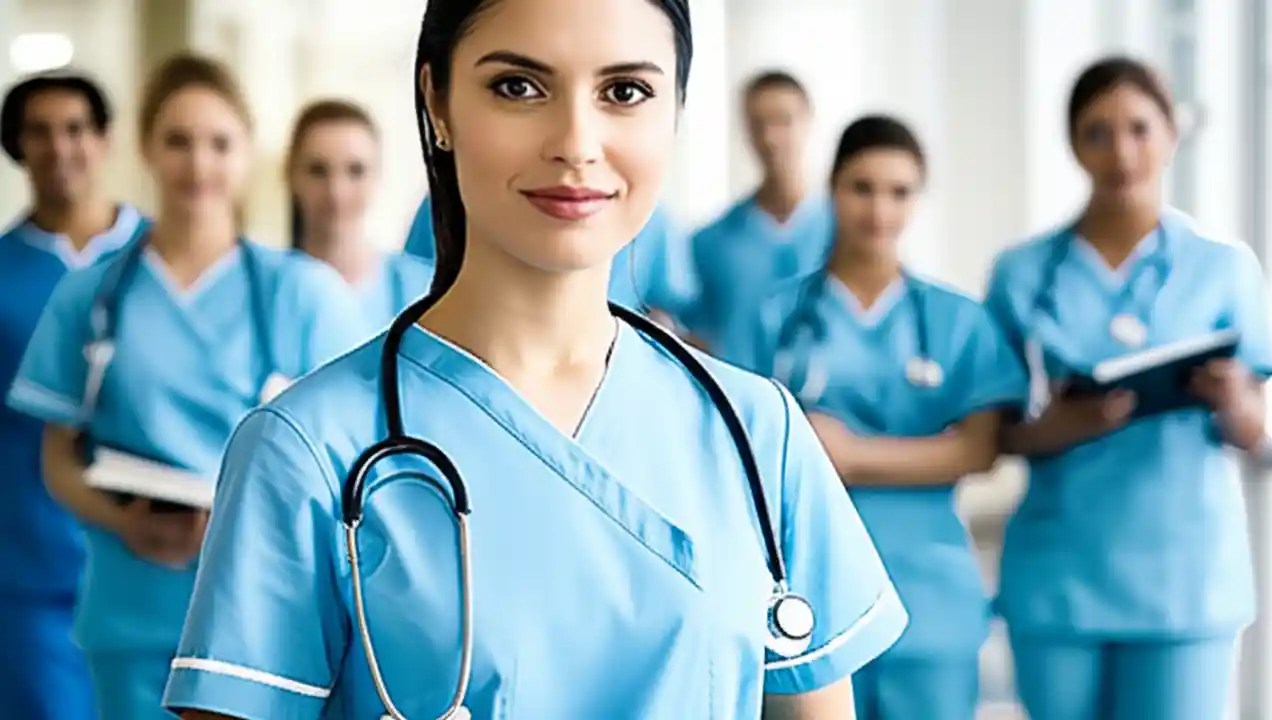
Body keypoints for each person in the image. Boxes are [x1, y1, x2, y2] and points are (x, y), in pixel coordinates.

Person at [162, 1, 907, 719]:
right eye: (519, 87)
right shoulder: (308, 451)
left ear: (674, 111)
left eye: (626, 91)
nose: (576, 142)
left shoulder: (758, 433)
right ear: (438, 102)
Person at [4, 54, 365, 720]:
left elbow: (350, 458)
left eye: (219, 143)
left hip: (260, 619)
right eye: (178, 141)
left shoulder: (300, 294)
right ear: (144, 149)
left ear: (246, 153)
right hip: (129, 608)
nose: (199, 164)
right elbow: (57, 456)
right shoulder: (91, 294)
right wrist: (125, 522)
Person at [986, 56, 1272, 720]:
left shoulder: (1224, 269)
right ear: (1072, 144)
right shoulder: (1023, 272)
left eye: (1140, 129)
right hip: (1062, 573)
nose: (1122, 151)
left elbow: (1255, 431)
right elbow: (996, 430)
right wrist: (1056, 431)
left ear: (1172, 134)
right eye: (1097, 132)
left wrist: (1233, 401)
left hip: (1186, 576)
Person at [740, 116, 1026, 720]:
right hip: (803, 587)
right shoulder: (774, 316)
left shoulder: (954, 320)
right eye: (861, 187)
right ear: (833, 188)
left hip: (928, 591)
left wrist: (847, 455)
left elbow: (979, 450)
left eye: (899, 191)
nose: (879, 209)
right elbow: (739, 442)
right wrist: (912, 453)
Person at [0, 70, 142, 720]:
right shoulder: (5, 272)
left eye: (76, 129)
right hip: (32, 568)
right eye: (40, 131)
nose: (60, 147)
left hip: (158, 563)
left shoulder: (161, 258)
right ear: (17, 146)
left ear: (104, 139)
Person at [686, 70, 833, 358]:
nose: (770, 138)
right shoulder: (709, 243)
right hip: (737, 399)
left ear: (808, 122)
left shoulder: (846, 233)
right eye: (758, 124)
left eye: (783, 121)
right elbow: (698, 338)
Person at [407, 194, 696, 325]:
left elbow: (666, 311)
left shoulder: (652, 218)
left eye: (622, 93)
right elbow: (414, 286)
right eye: (518, 89)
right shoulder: (442, 206)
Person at [287, 99, 436, 332]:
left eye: (356, 171)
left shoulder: (427, 290)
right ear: (289, 174)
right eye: (318, 171)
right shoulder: (264, 291)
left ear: (379, 175)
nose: (337, 192)